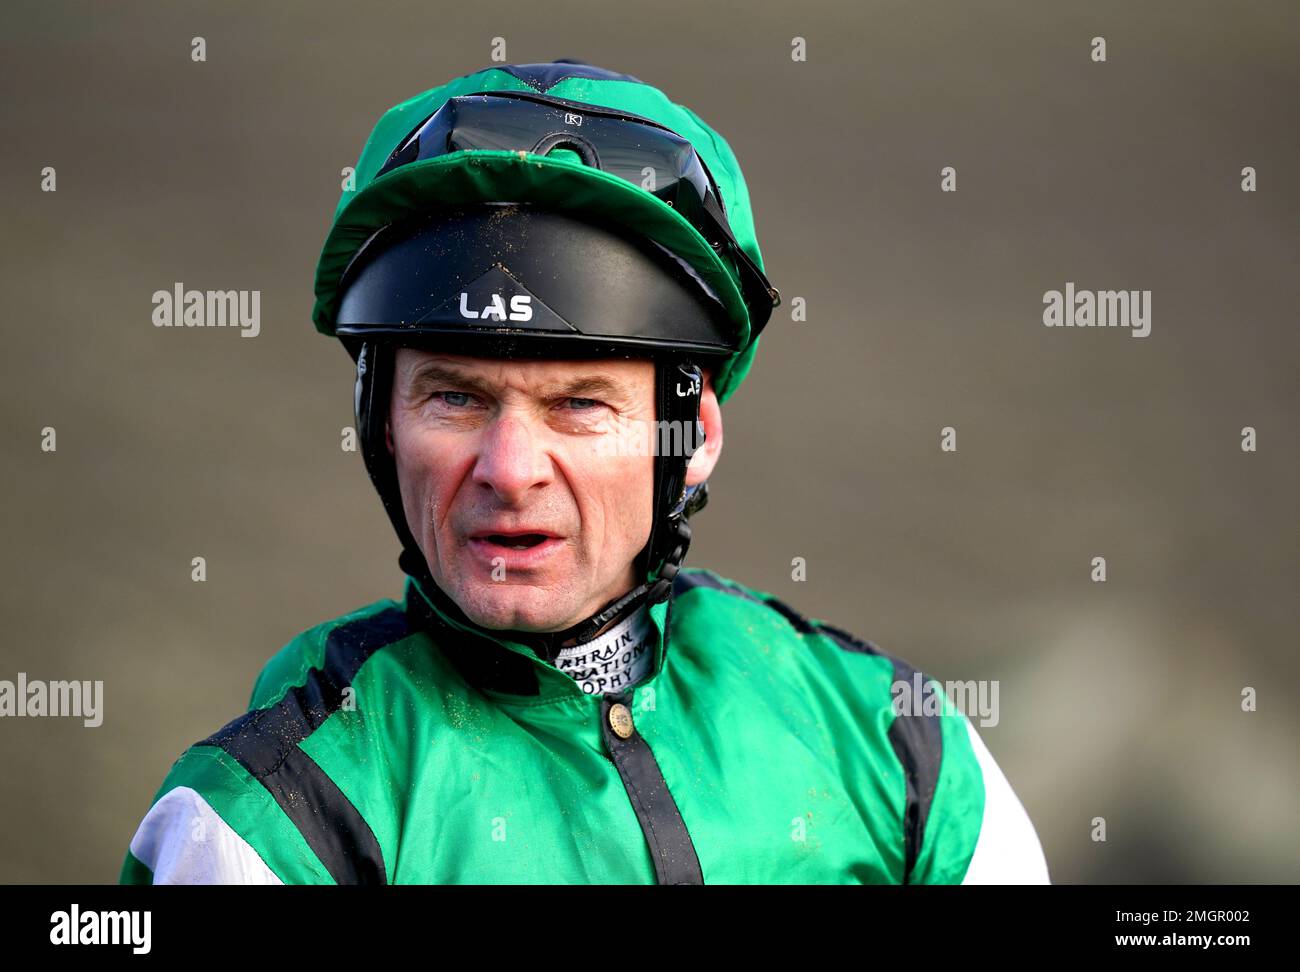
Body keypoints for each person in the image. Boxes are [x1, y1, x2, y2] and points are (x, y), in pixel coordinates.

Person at [120, 58, 1050, 885]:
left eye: (580, 404)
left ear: (691, 437)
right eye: (456, 398)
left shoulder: (904, 751)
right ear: (380, 426)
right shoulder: (262, 830)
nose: (511, 470)